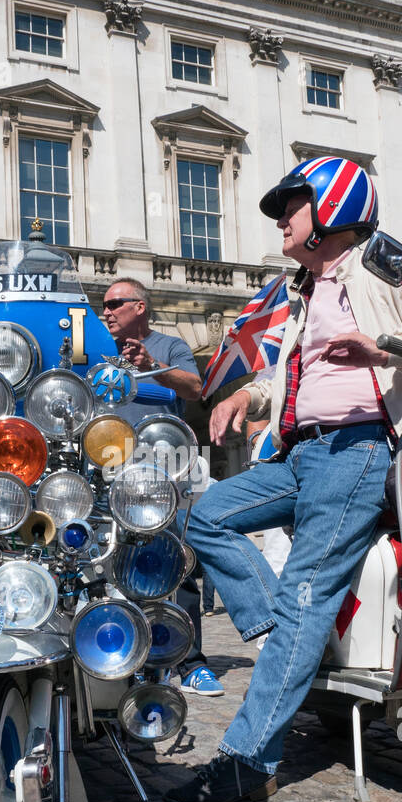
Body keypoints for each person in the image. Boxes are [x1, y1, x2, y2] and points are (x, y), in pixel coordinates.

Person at [167, 157, 402, 802]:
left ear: (334, 207)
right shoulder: (299, 293)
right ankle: (285, 631)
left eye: (292, 202)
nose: (281, 217)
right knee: (203, 516)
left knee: (303, 601)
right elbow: (293, 379)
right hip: (302, 455)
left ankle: (249, 758)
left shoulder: (377, 262)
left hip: (358, 449)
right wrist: (244, 396)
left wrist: (385, 347)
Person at [101, 278, 226, 697]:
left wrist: (152, 363)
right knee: (113, 566)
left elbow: (195, 389)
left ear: (140, 306)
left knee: (176, 563)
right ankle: (129, 657)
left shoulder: (170, 347)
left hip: (164, 469)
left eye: (115, 303)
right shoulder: (97, 348)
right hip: (112, 467)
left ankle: (189, 662)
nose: (107, 311)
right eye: (104, 305)